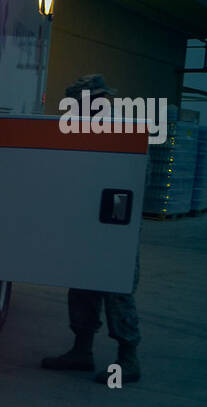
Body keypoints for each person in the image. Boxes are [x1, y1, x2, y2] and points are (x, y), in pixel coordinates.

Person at [41, 74, 142, 384]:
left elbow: (130, 185)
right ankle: (81, 352)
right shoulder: (74, 133)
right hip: (84, 224)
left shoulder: (123, 132)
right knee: (82, 286)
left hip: (114, 226)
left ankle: (129, 360)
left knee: (116, 290)